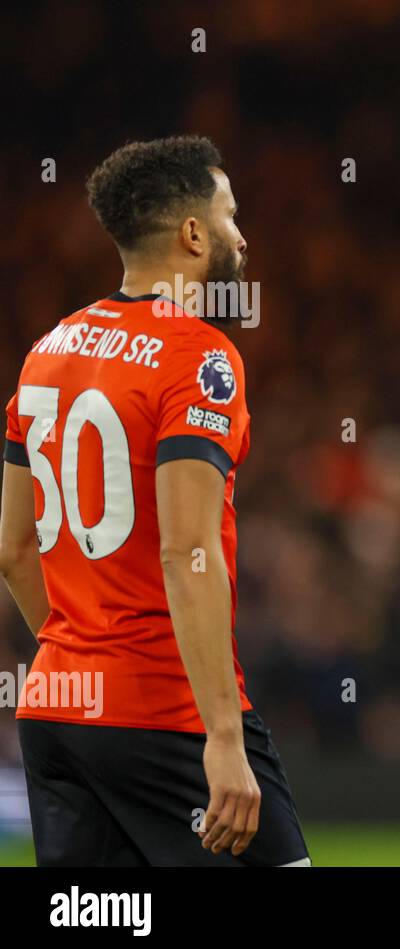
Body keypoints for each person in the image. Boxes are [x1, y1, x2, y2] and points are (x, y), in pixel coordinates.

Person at [0, 136, 308, 866]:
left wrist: (82, 659)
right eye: (231, 215)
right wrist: (225, 741)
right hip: (164, 712)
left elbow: (13, 550)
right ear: (193, 234)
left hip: (56, 711)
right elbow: (186, 549)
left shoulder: (47, 349)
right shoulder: (199, 357)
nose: (242, 234)